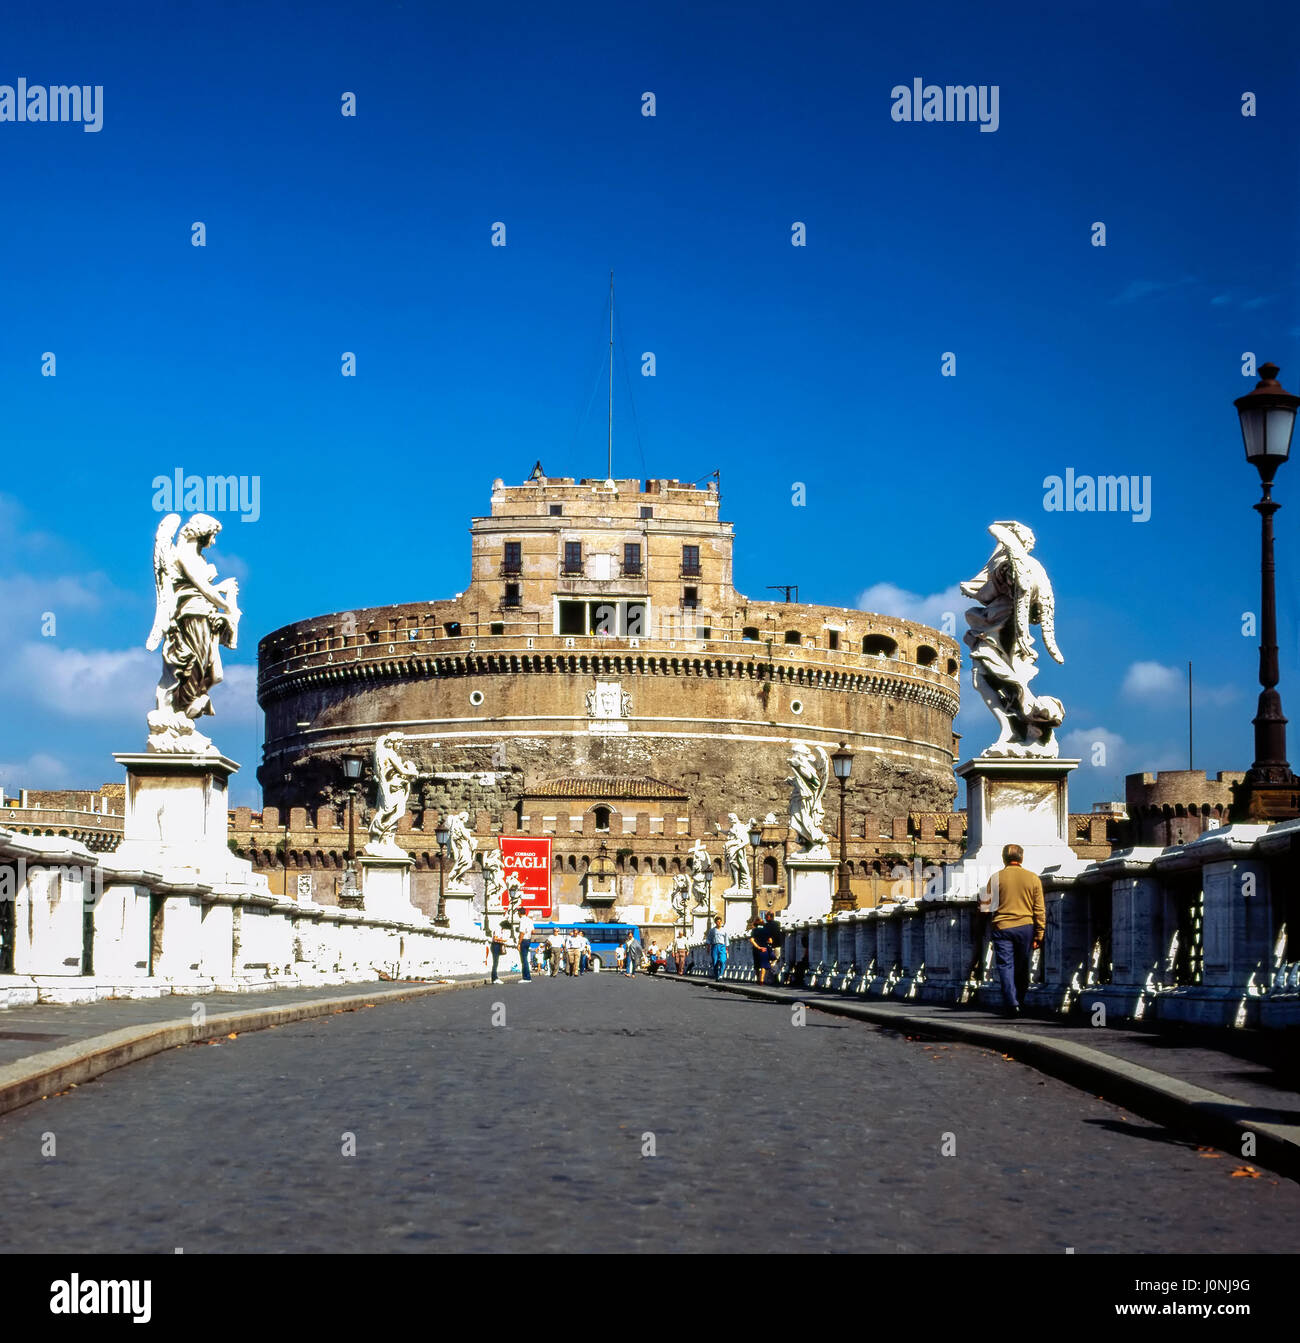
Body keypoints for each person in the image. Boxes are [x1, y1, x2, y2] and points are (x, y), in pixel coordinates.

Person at [984, 843, 1045, 1019]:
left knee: (1005, 966)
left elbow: (985, 907)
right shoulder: (1033, 878)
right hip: (1025, 927)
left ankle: (1012, 1003)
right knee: (1023, 965)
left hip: (1002, 926)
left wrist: (982, 927)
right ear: (1021, 858)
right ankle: (1021, 999)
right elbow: (1039, 909)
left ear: (1004, 858)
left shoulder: (995, 878)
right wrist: (1039, 933)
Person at [749, 912, 778, 985]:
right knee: (763, 965)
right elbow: (770, 940)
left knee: (757, 965)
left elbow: (752, 940)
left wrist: (758, 947)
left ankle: (758, 979)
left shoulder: (754, 930)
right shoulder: (766, 930)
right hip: (764, 948)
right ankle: (761, 980)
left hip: (756, 949)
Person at [706, 916, 727, 980]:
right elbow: (709, 939)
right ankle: (717, 976)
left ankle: (721, 975)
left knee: (722, 961)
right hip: (714, 946)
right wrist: (708, 947)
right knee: (715, 962)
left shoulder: (724, 930)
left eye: (720, 921)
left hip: (722, 946)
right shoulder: (712, 930)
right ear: (715, 922)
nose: (719, 923)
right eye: (717, 922)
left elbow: (726, 940)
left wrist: (726, 949)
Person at [517, 910, 534, 984]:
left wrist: (519, 943)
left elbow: (522, 932)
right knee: (525, 959)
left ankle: (526, 977)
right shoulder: (529, 920)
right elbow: (533, 931)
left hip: (523, 940)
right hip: (529, 940)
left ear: (520, 913)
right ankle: (527, 977)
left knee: (523, 960)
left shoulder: (522, 920)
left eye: (518, 913)